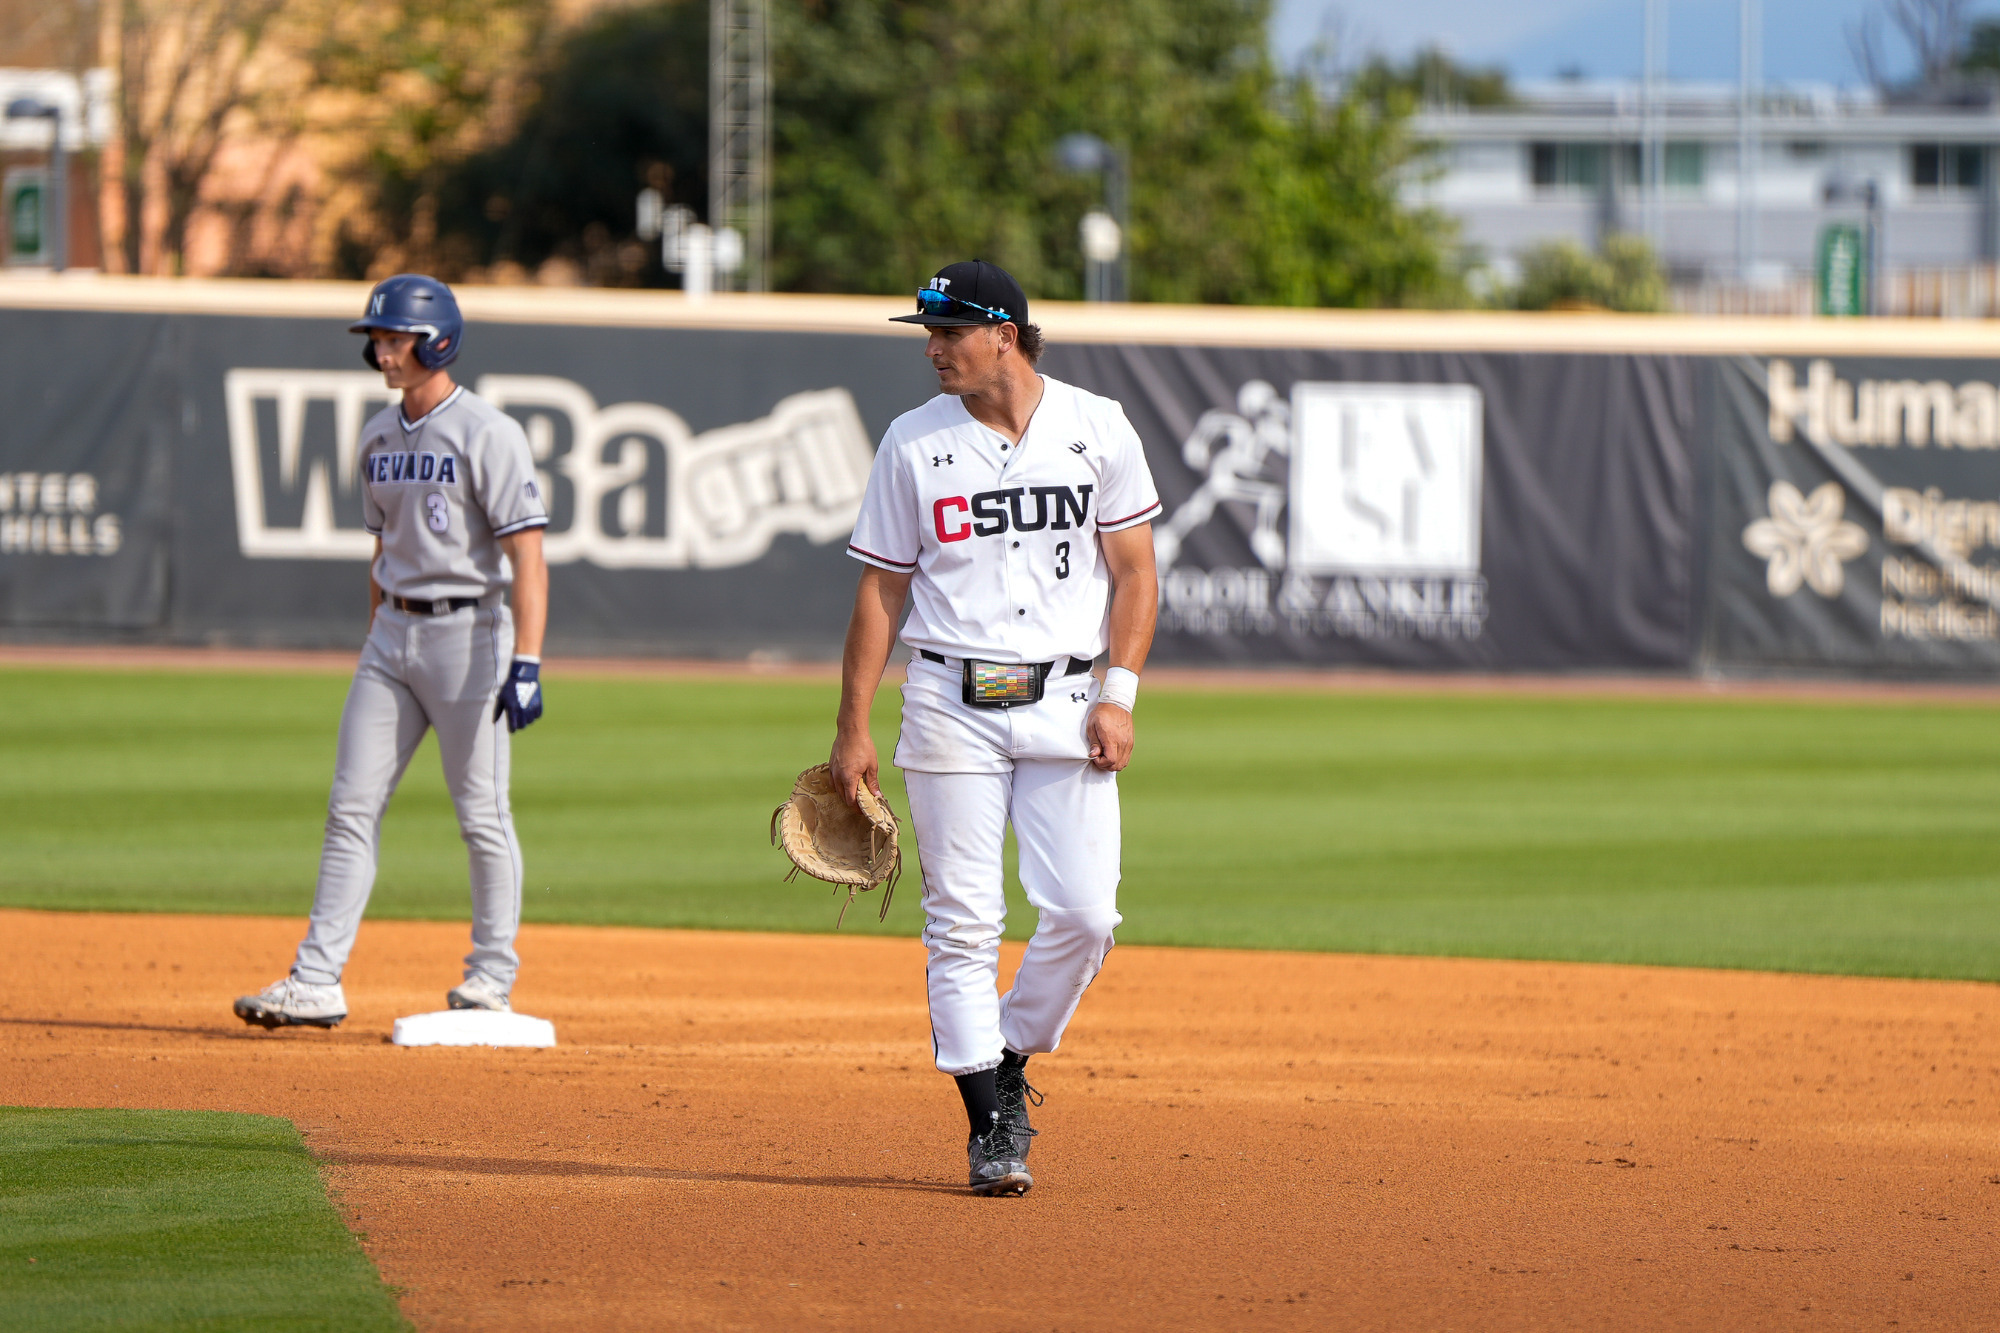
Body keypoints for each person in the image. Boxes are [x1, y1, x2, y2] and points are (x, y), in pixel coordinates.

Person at [831, 260, 1161, 1196]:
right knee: (964, 923)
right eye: (928, 333)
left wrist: (1121, 693)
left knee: (1086, 914)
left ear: (1004, 335)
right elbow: (882, 589)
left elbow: (1135, 572)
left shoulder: (1098, 426)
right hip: (947, 700)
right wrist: (852, 727)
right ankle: (989, 1125)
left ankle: (1007, 1052)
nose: (932, 349)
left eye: (948, 332)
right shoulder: (913, 441)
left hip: (1067, 699)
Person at [235, 274, 550, 1028]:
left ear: (437, 341)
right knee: (350, 805)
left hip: (470, 636)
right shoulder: (377, 434)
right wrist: (377, 633)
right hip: (392, 638)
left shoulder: (489, 432)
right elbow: (381, 551)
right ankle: (316, 980)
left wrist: (528, 660)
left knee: (482, 814)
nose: (382, 350)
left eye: (395, 337)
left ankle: (491, 978)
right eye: (377, 338)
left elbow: (528, 556)